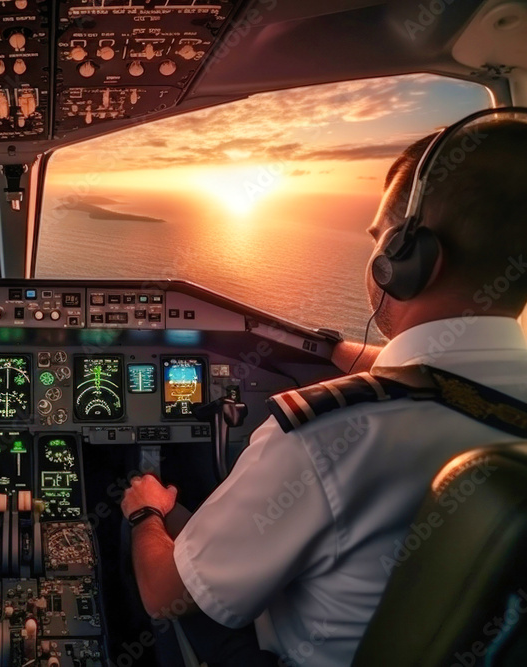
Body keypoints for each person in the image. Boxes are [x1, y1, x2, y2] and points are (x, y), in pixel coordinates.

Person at [122, 111, 527, 667]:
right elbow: (450, 380)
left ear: (409, 259)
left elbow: (166, 595)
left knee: (155, 552)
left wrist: (145, 513)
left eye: (379, 239)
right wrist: (331, 349)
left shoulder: (331, 434)